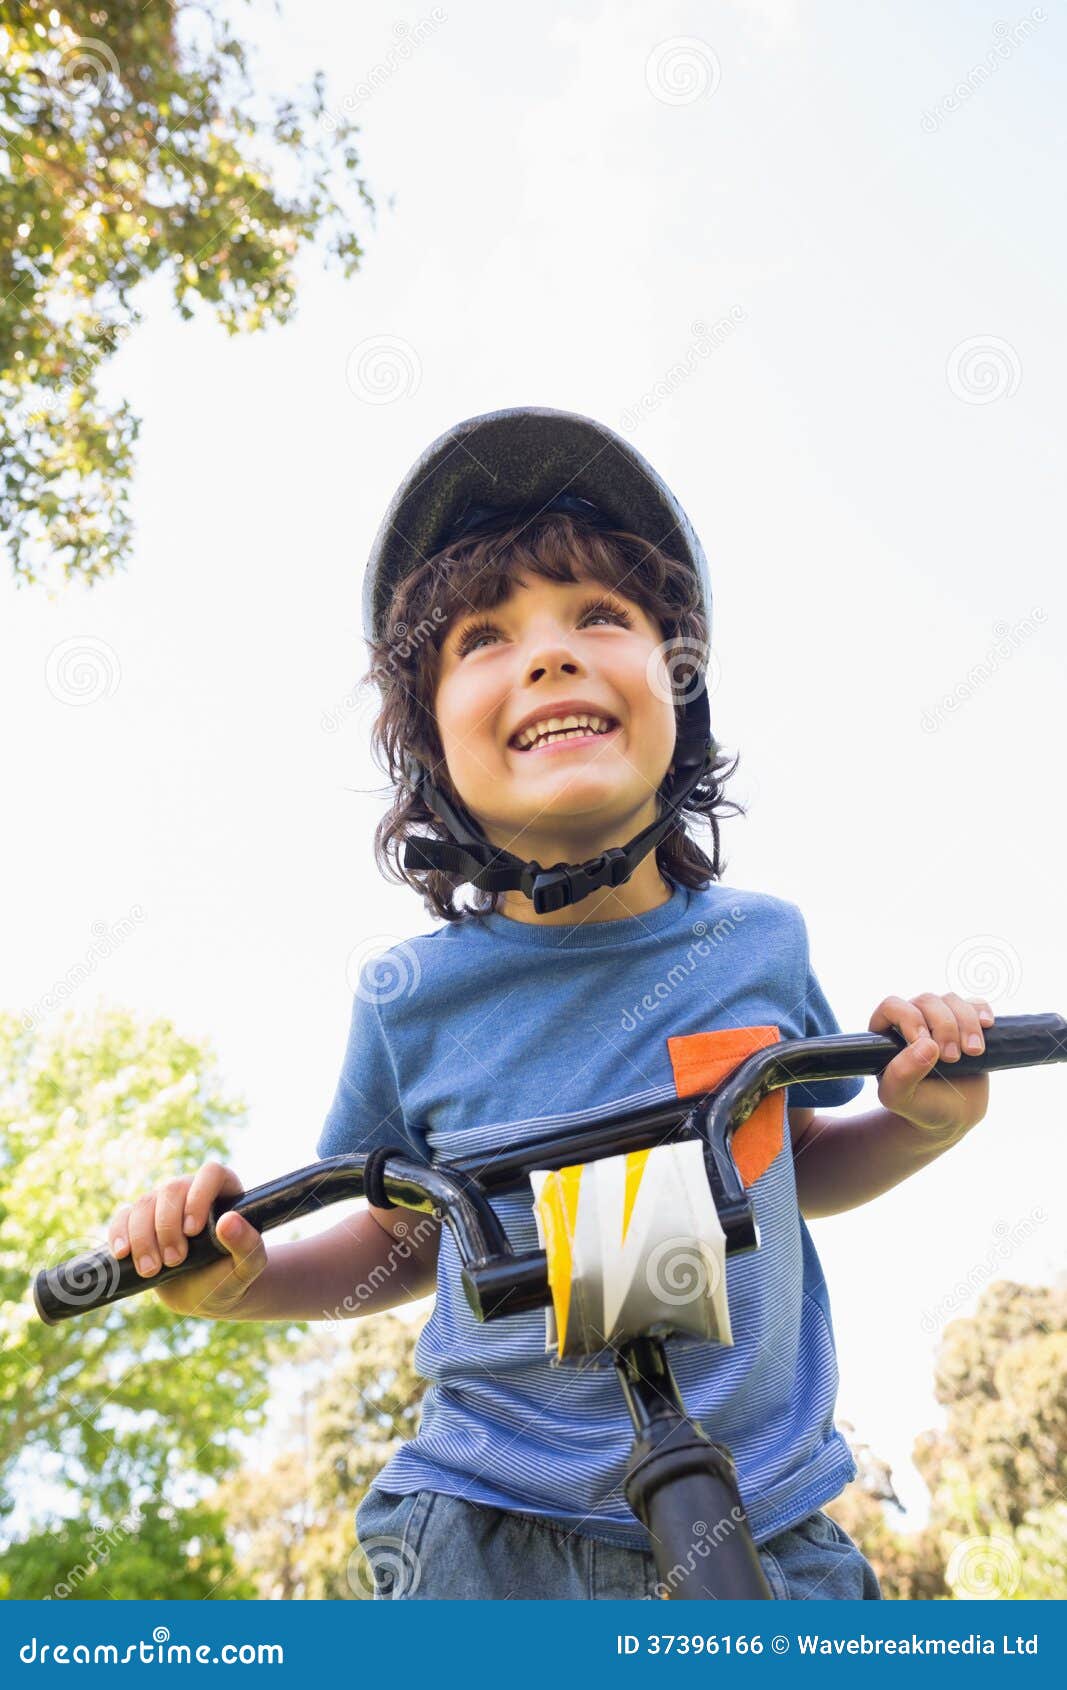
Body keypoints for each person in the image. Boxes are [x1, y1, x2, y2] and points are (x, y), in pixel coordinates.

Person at [108, 408, 996, 1601]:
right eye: (484, 636)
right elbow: (403, 1236)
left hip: (770, 1520)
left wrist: (923, 1120)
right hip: (492, 1531)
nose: (548, 655)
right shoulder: (411, 1001)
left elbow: (793, 1162)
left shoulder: (759, 944)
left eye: (599, 617)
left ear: (677, 693)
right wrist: (243, 1279)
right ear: (431, 749)